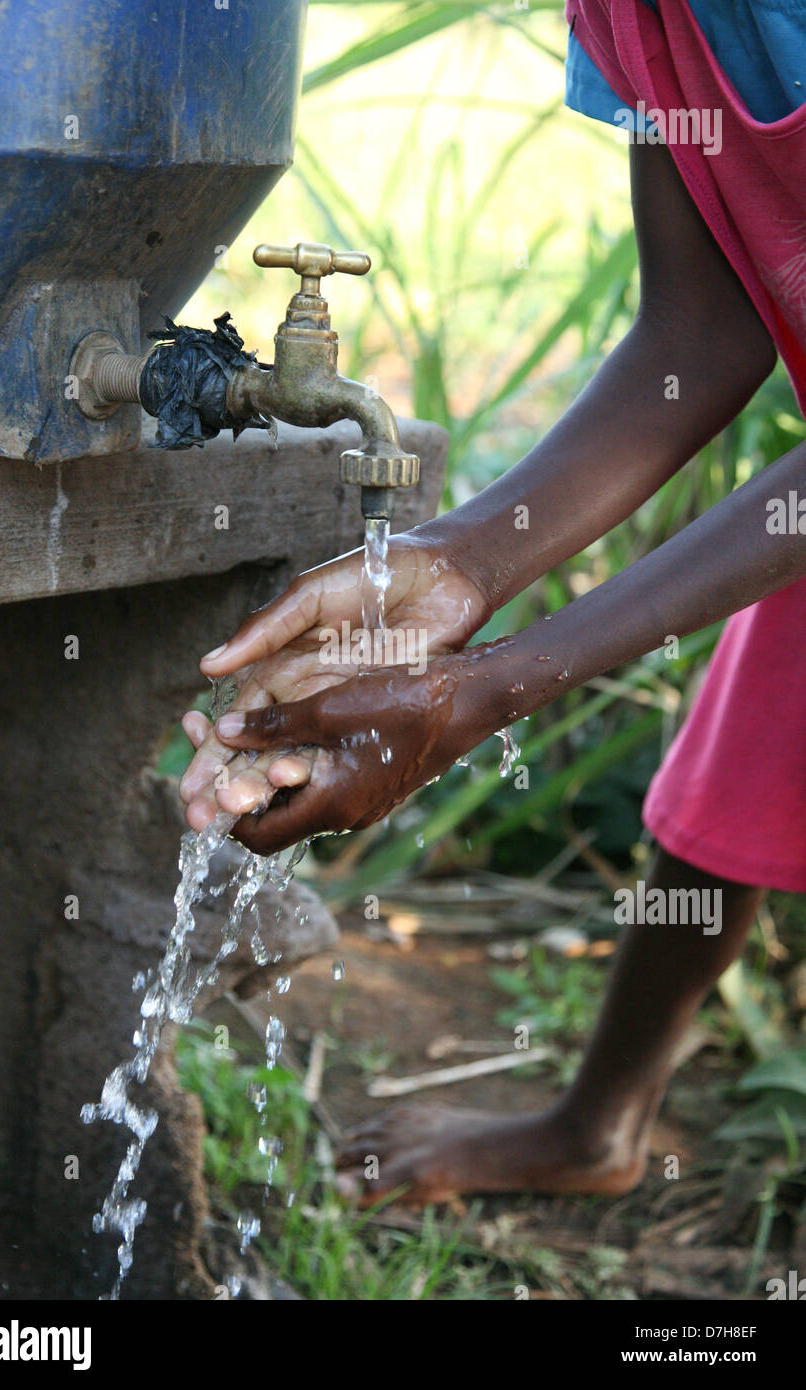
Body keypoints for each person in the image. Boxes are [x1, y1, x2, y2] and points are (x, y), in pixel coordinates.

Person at [179, 1, 806, 1203]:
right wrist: (460, 564)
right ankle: (595, 1130)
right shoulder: (639, 14)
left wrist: (491, 686)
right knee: (750, 733)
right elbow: (702, 326)